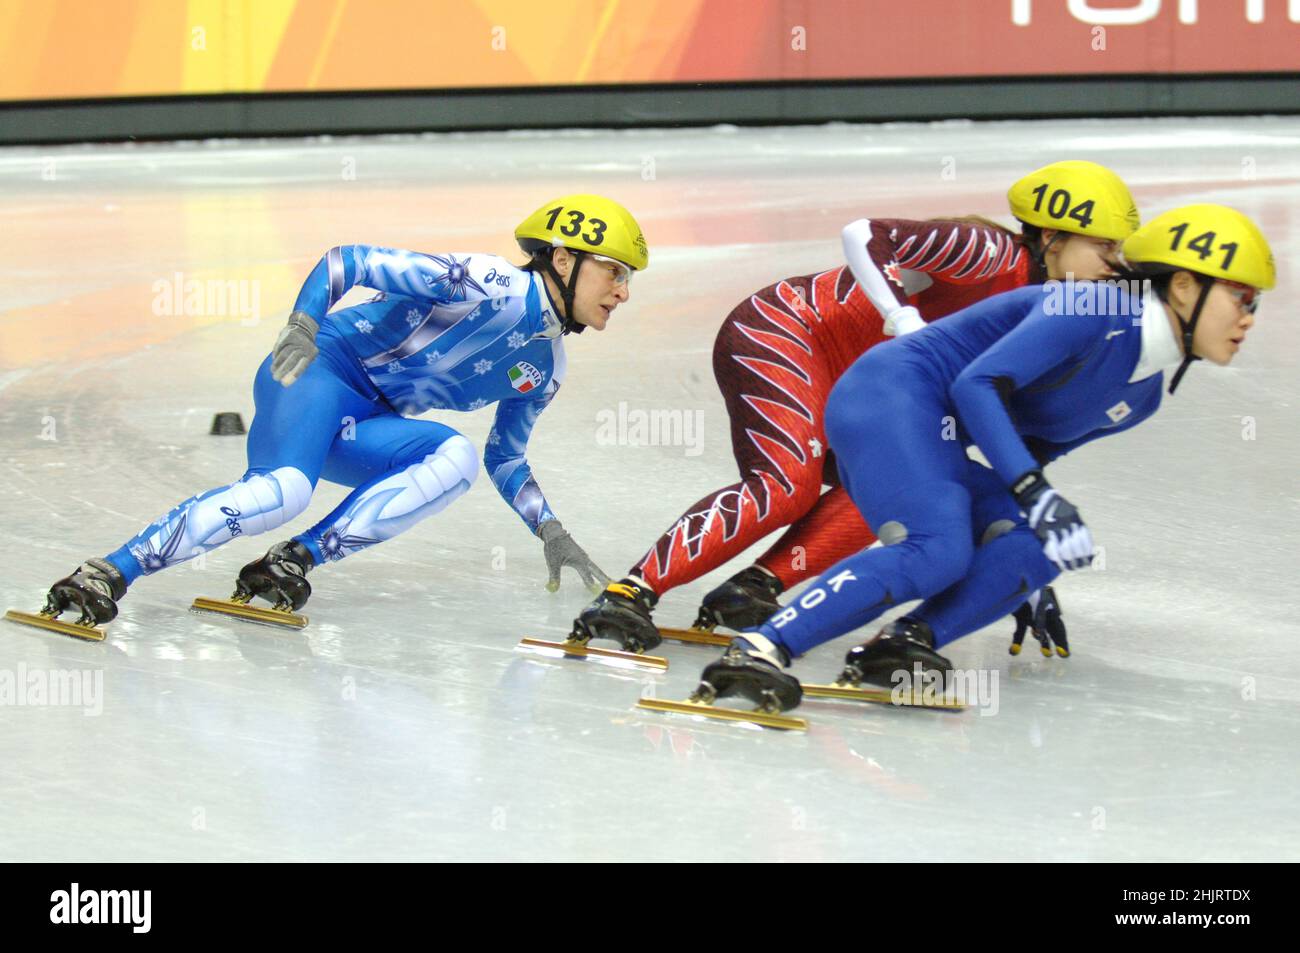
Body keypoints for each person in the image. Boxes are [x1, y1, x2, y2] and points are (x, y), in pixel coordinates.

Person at [690, 204, 1273, 711]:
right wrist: (1033, 495)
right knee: (937, 550)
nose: (1249, 318)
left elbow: (1023, 457)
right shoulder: (1090, 307)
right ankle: (764, 646)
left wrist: (1017, 576)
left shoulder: (1141, 396)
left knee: (1041, 546)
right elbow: (977, 385)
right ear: (1186, 288)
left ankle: (904, 641)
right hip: (891, 392)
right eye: (1241, 297)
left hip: (932, 428)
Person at [572, 161, 1138, 653]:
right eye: (1104, 249)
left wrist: (1022, 577)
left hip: (866, 392)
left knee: (894, 486)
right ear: (1051, 239)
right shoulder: (988, 252)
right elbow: (865, 234)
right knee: (788, 485)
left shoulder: (1055, 326)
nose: (1114, 268)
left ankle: (754, 588)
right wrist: (903, 319)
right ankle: (631, 591)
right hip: (789, 330)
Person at [31, 194, 648, 628]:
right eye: (613, 272)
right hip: (318, 371)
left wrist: (551, 529)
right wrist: (302, 326)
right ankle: (108, 572)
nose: (621, 291)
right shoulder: (485, 281)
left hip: (367, 420)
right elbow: (346, 260)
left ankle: (292, 561)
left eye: (627, 279)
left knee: (453, 457)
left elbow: (503, 455)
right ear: (563, 260)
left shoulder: (548, 368)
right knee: (280, 492)